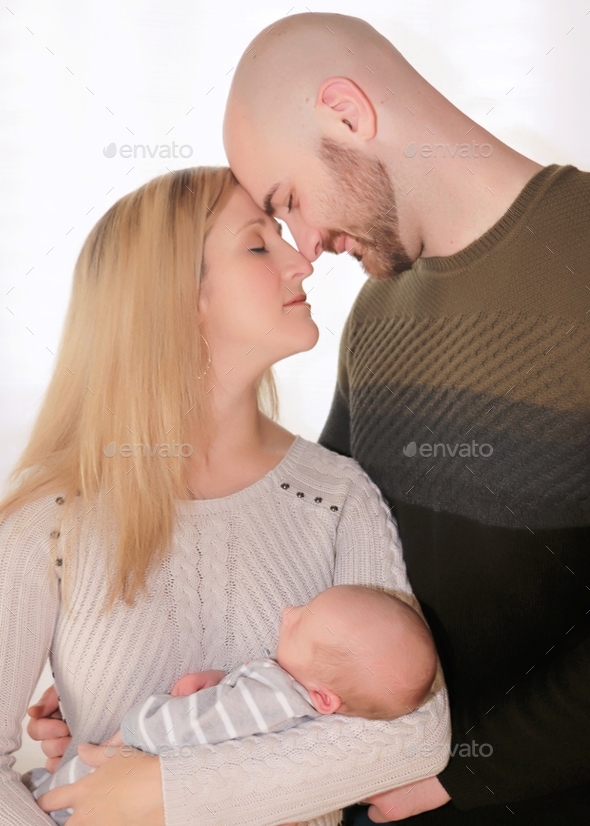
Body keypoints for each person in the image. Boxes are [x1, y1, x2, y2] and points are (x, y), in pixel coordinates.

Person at [218, 11, 590, 825]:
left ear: (348, 112)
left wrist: (456, 778)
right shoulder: (376, 316)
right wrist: (155, 702)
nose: (305, 246)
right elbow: (310, 557)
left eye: (291, 202)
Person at [1, 165, 450, 826]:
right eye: (259, 244)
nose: (303, 263)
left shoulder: (337, 497)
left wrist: (167, 792)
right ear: (176, 297)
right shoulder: (51, 520)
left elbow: (409, 738)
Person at [26, 585, 439, 826]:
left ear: (325, 698)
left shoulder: (274, 692)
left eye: (302, 623)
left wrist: (141, 721)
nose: (288, 613)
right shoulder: (294, 704)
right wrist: (219, 687)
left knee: (46, 798)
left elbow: (179, 732)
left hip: (102, 789)